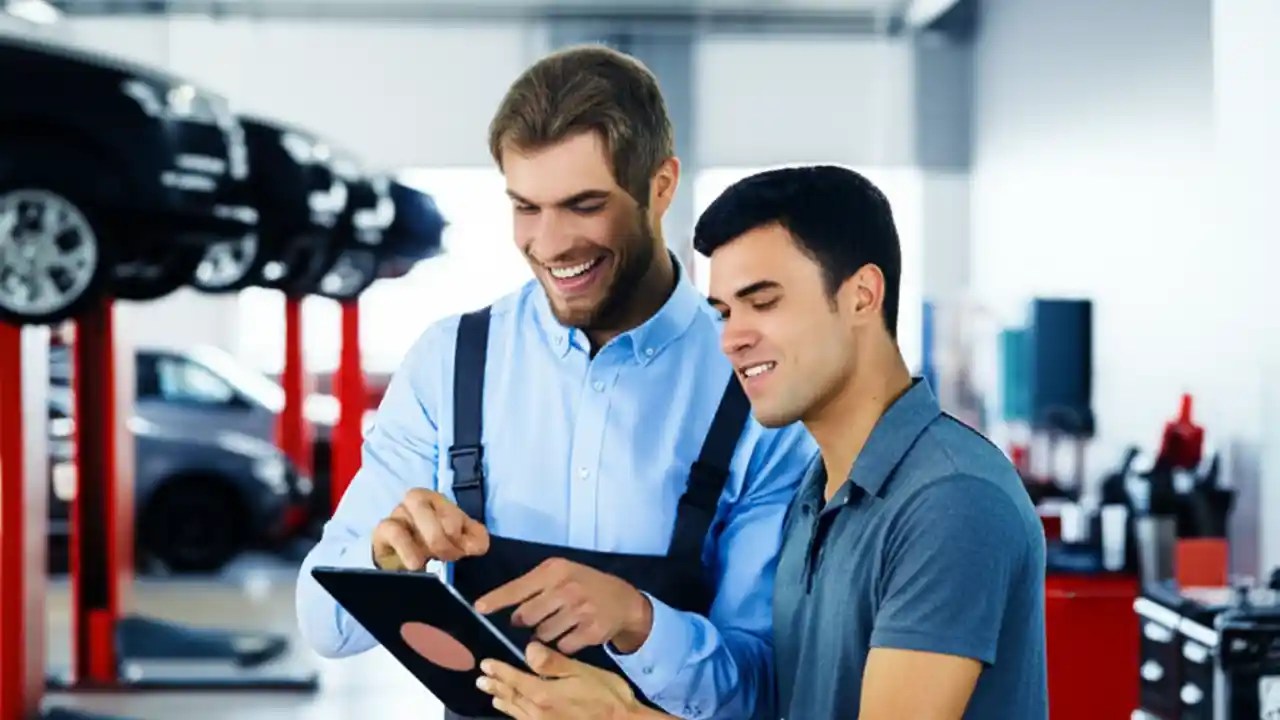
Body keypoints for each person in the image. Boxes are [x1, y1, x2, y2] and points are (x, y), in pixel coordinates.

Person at [293, 45, 817, 720]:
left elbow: (762, 688)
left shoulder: (750, 386)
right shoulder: (450, 363)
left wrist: (640, 622)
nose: (550, 243)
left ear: (661, 186)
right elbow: (323, 624)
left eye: (584, 205)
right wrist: (383, 556)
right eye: (526, 207)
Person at [475, 165, 1049, 720]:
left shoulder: (951, 499)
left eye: (764, 302)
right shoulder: (816, 493)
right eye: (724, 312)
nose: (731, 339)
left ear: (862, 296)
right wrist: (635, 622)